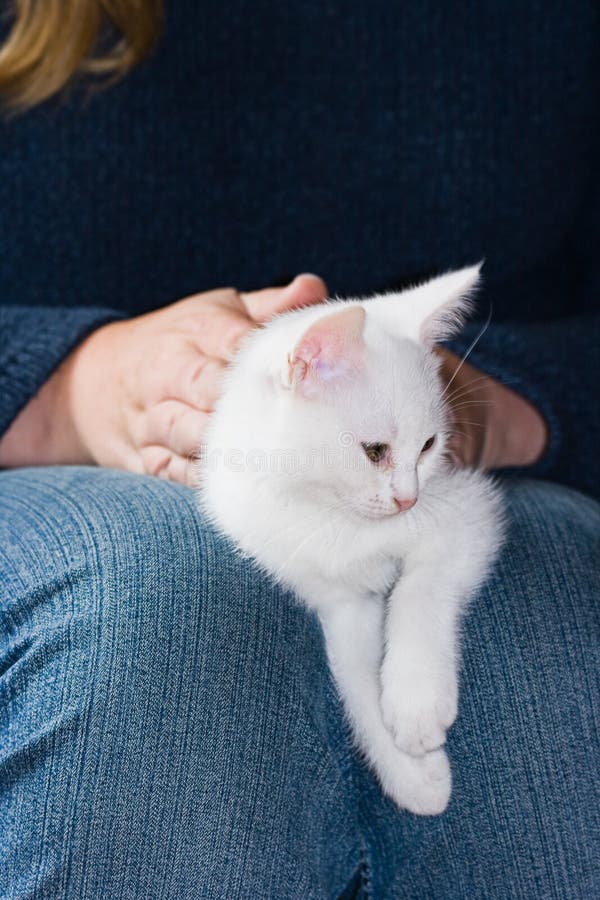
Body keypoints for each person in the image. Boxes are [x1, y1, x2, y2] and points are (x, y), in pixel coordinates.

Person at [0, 1, 598, 897]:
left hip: (483, 444)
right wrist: (65, 391)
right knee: (156, 601)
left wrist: (480, 403)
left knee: (536, 612)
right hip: (44, 460)